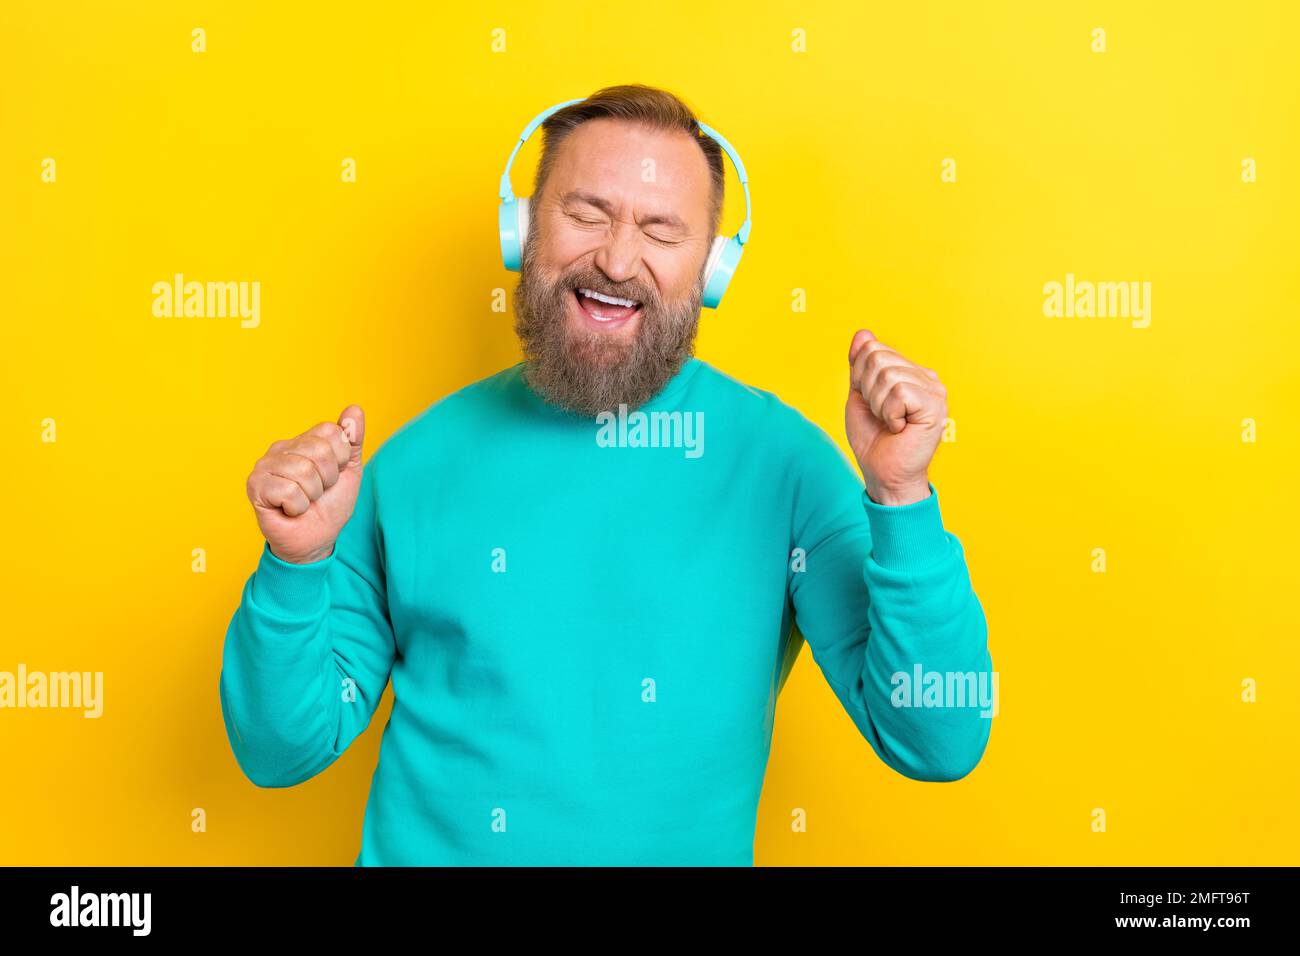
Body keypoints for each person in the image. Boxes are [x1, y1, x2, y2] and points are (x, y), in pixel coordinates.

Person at [218, 83, 994, 866]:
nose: (618, 260)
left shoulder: (786, 467)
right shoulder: (411, 465)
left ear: (711, 270)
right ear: (521, 229)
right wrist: (295, 565)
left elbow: (935, 739)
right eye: (586, 213)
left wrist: (900, 498)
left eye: (661, 230)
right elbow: (278, 751)